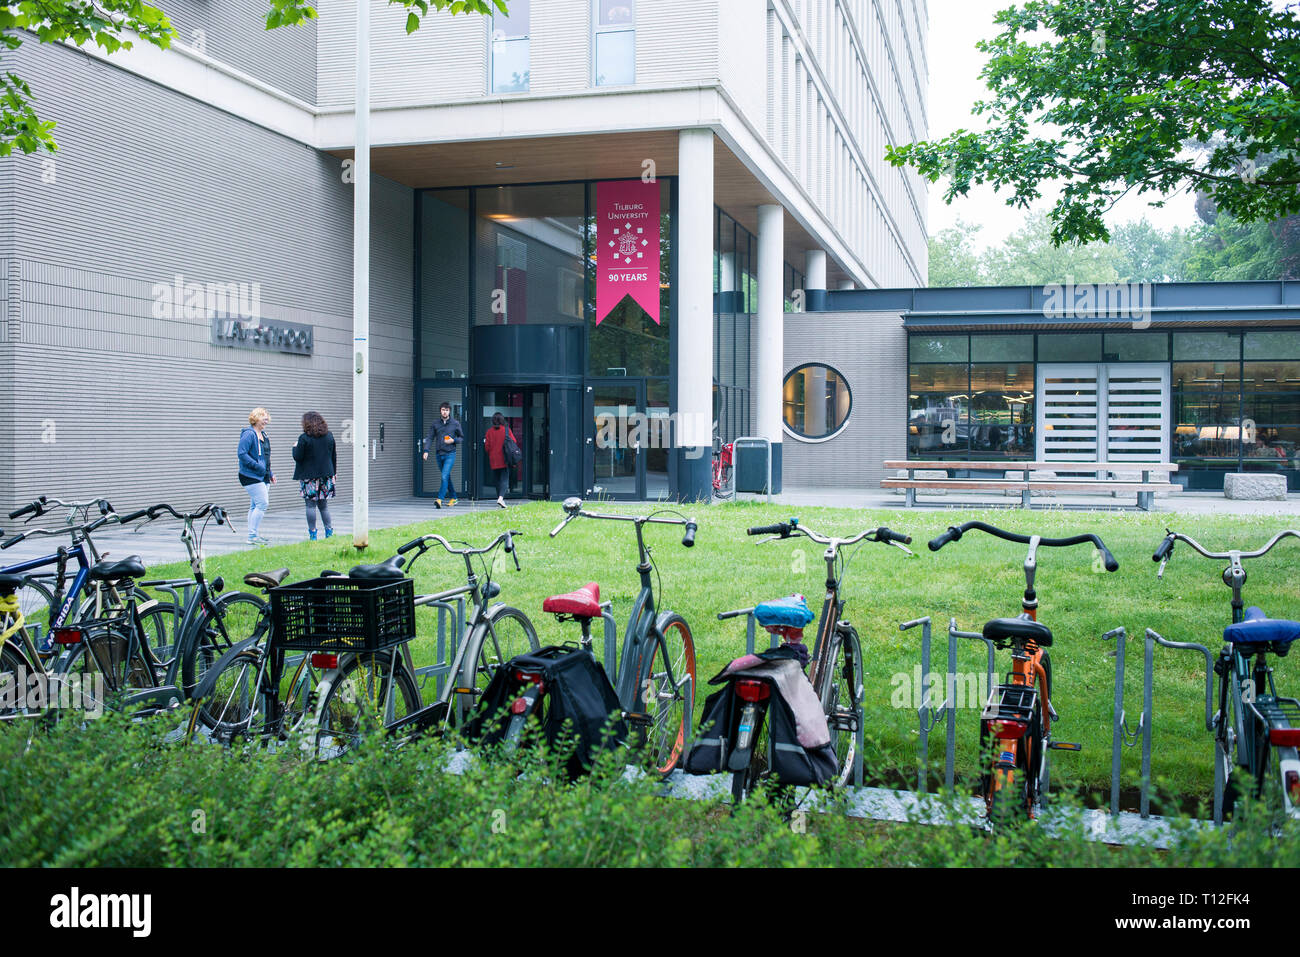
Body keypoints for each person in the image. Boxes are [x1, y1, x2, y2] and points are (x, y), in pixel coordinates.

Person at [292, 411, 338, 540]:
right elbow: (333, 456)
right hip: (326, 475)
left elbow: (298, 457)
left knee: (310, 505)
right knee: (323, 506)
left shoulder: (304, 438)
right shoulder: (329, 436)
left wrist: (294, 447)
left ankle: (313, 534)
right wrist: (334, 473)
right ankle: (329, 532)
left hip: (309, 476)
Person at [237, 407, 275, 546]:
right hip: (250, 475)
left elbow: (266, 457)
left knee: (255, 505)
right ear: (255, 418)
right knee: (262, 503)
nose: (266, 419)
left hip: (263, 475)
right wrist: (257, 466)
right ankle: (252, 536)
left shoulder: (264, 435)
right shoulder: (249, 434)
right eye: (263, 416)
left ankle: (253, 534)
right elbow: (242, 453)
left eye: (267, 417)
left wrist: (270, 472)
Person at [422, 401, 463, 507]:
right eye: (443, 410)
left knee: (444, 476)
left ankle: (439, 499)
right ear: (440, 411)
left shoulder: (455, 423)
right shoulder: (435, 423)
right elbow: (430, 437)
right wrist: (426, 451)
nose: (445, 412)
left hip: (450, 454)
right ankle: (454, 498)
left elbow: (461, 438)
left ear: (450, 411)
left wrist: (453, 440)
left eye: (447, 410)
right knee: (446, 477)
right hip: (439, 454)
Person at [483, 411, 517, 509]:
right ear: (502, 420)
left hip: (493, 459)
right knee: (504, 479)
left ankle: (499, 498)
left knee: (497, 480)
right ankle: (501, 498)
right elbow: (513, 442)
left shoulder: (489, 432)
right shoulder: (506, 430)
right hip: (504, 458)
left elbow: (487, 447)